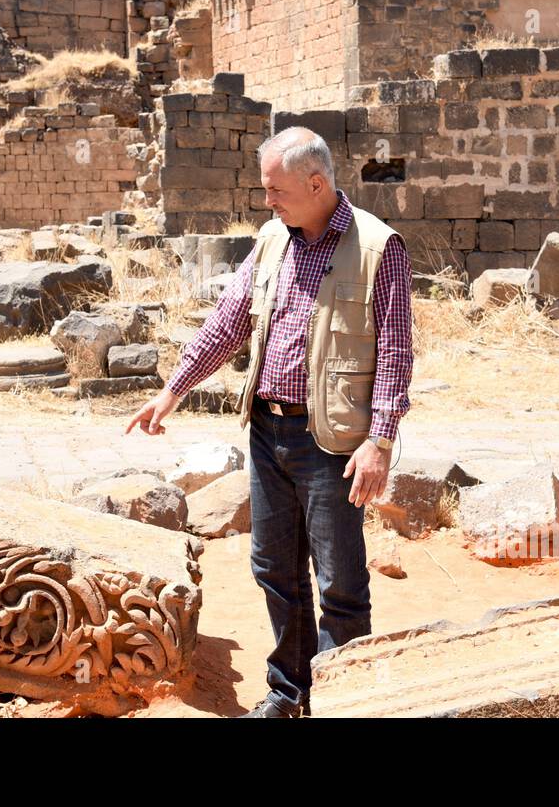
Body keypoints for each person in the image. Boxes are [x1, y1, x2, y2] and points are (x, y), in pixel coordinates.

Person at [125, 126, 414, 718]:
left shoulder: (379, 247)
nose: (268, 201)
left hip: (331, 442)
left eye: (275, 190)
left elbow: (395, 353)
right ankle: (289, 693)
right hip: (266, 432)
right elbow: (229, 321)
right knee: (274, 569)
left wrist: (380, 441)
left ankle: (340, 700)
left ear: (316, 183)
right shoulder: (271, 240)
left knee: (338, 581)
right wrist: (173, 390)